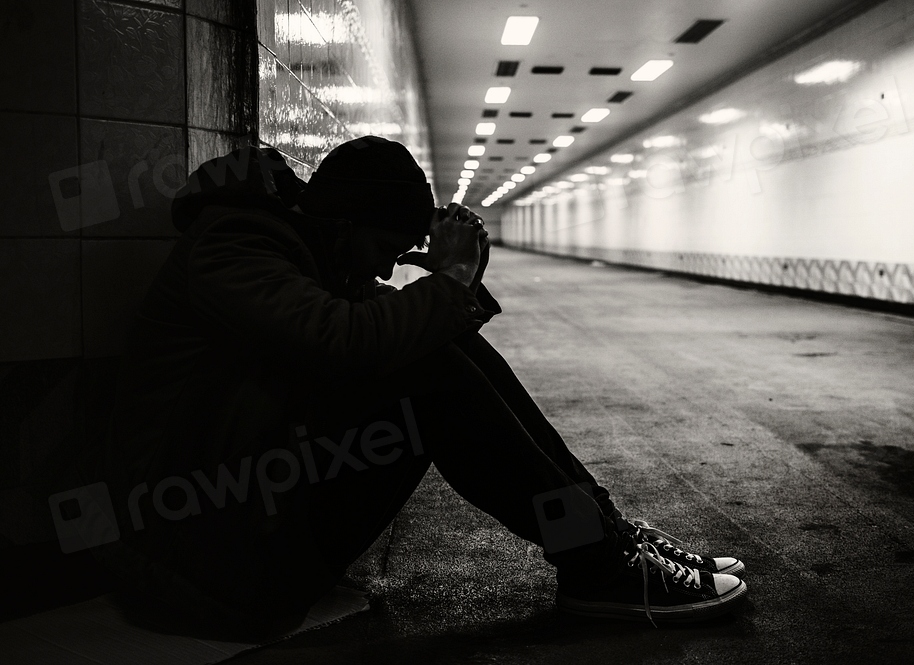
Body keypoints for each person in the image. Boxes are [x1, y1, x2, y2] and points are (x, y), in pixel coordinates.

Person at [92, 136, 748, 639]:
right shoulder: (236, 243)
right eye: (384, 247)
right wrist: (450, 285)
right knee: (430, 374)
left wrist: (449, 295)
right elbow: (339, 340)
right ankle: (599, 561)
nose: (384, 268)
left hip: (244, 525)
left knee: (442, 345)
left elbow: (373, 327)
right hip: (194, 559)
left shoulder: (303, 249)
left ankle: (604, 537)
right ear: (344, 222)